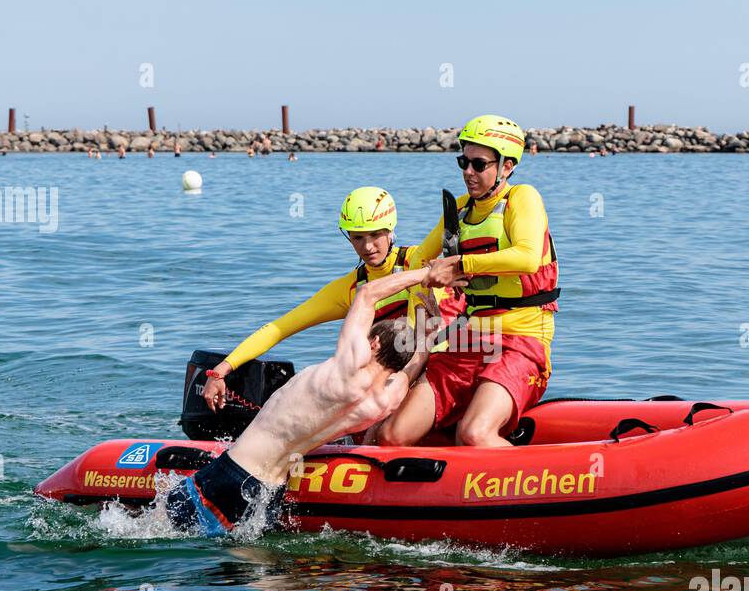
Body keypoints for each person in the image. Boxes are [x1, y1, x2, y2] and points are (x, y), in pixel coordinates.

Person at [162, 261, 461, 536]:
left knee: (157, 532)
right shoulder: (385, 401)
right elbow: (415, 362)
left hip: (234, 472)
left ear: (373, 342)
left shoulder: (347, 366)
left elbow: (368, 293)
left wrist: (428, 274)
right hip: (266, 496)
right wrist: (428, 328)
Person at [379, 114, 559, 448]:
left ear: (506, 167)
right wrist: (423, 298)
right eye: (464, 162)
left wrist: (459, 265)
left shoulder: (522, 198)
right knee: (392, 436)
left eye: (478, 164)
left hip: (522, 341)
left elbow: (527, 256)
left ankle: (540, 485)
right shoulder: (458, 211)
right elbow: (420, 260)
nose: (468, 173)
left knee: (474, 434)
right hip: (470, 341)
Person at [200, 187, 459, 410]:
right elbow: (280, 328)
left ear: (391, 230)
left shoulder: (420, 261)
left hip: (438, 367)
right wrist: (221, 369)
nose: (368, 247)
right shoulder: (349, 289)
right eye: (358, 237)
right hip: (390, 381)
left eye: (375, 235)